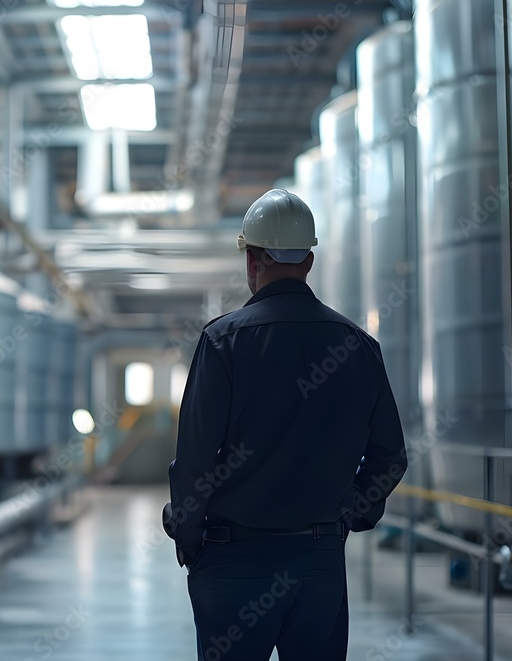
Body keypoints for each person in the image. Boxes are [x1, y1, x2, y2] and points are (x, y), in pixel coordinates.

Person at [163, 189, 407, 660]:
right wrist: (351, 514)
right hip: (319, 563)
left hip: (234, 560)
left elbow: (195, 460)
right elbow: (390, 457)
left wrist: (191, 541)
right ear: (309, 261)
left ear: (251, 260)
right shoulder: (358, 345)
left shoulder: (223, 342)